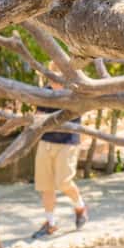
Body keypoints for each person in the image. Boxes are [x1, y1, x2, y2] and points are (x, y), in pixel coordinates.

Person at [31, 77, 89, 239]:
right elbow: (39, 115)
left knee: (64, 182)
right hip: (46, 141)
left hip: (67, 142)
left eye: (56, 76)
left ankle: (80, 207)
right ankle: (50, 223)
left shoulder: (74, 91)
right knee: (46, 185)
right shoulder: (46, 92)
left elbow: (72, 114)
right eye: (51, 77)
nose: (53, 81)